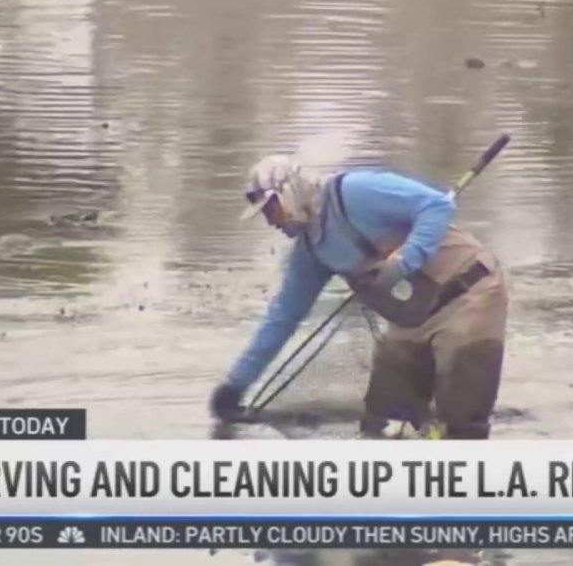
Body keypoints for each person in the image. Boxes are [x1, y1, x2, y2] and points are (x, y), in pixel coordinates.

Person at [208, 154, 509, 440]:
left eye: (271, 209)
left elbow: (437, 207)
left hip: (470, 295)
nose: (271, 221)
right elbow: (281, 319)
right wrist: (235, 385)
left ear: (290, 192)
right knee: (385, 421)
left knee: (460, 428)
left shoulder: (355, 191)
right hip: (414, 318)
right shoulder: (311, 252)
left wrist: (403, 262)